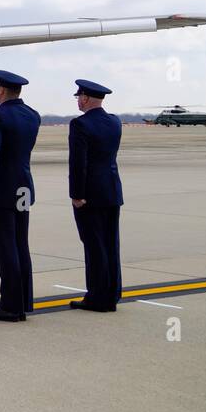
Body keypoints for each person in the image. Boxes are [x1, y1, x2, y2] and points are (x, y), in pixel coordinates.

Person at [0, 70, 41, 322]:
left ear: (1, 90)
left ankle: (11, 305)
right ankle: (23, 300)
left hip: (1, 189)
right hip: (24, 186)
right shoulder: (32, 115)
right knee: (20, 244)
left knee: (5, 247)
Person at [68, 79, 124, 312]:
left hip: (90, 194)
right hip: (111, 189)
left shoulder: (80, 124)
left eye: (79, 97)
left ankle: (98, 298)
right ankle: (112, 293)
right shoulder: (115, 121)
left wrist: (77, 194)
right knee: (111, 244)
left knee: (94, 246)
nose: (78, 101)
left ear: (85, 98)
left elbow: (79, 162)